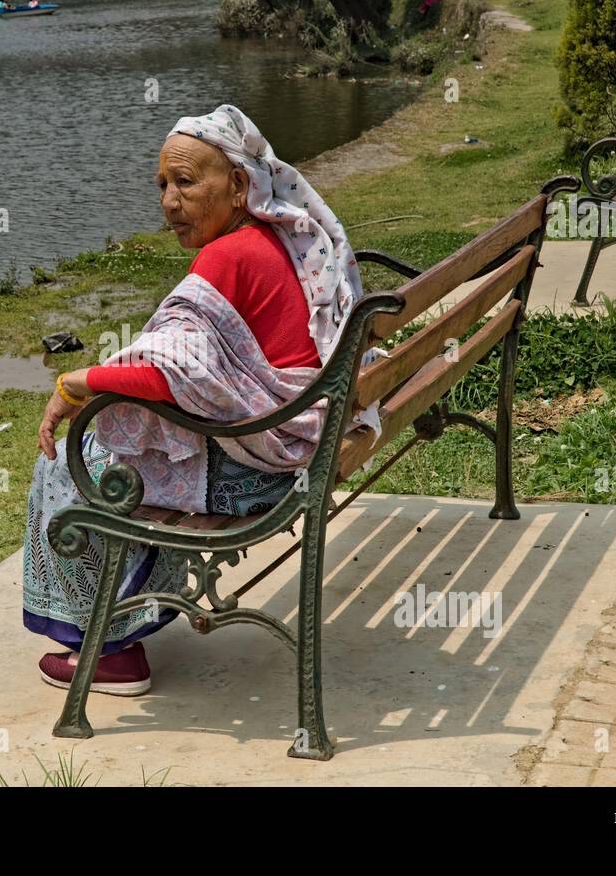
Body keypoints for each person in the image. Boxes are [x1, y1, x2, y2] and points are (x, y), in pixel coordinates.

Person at [25, 104, 376, 695]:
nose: (169, 202)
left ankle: (111, 651)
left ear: (239, 185)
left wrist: (74, 383)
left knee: (71, 462)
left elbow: (168, 377)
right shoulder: (275, 238)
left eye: (186, 182)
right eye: (162, 184)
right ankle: (131, 617)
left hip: (259, 473)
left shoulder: (226, 255)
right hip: (295, 445)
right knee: (130, 444)